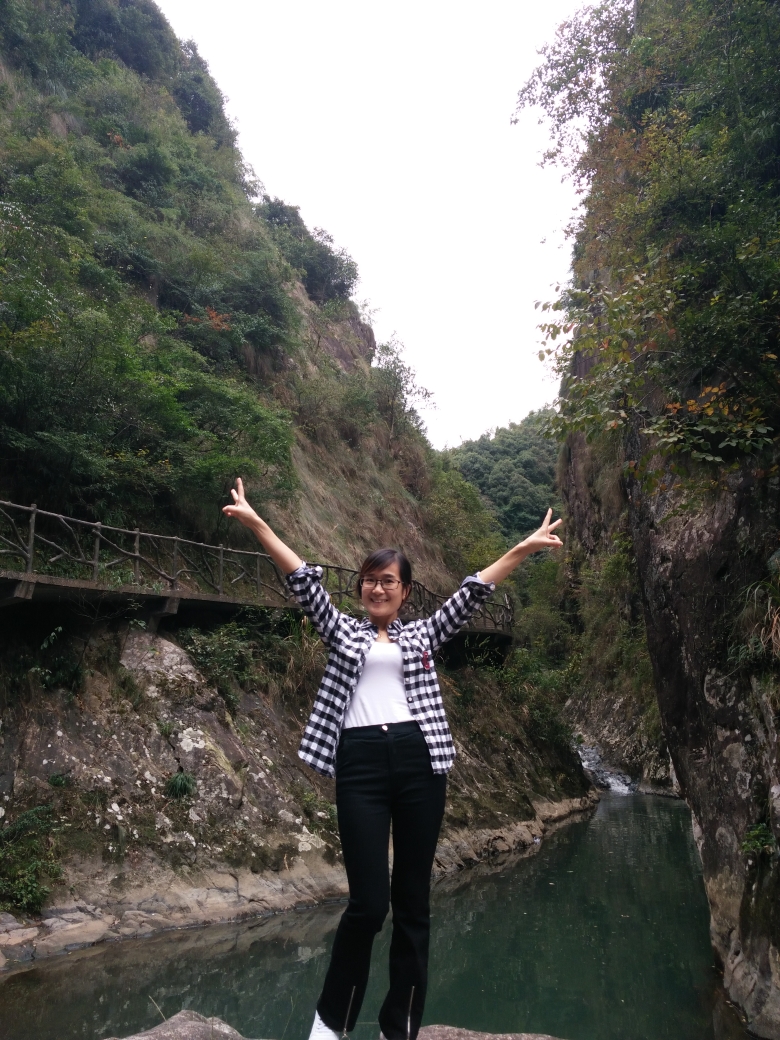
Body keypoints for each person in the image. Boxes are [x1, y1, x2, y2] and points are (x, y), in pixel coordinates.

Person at [222, 479, 562, 1040]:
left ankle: (398, 1027)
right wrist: (257, 523)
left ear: (404, 592)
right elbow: (302, 580)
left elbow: (472, 592)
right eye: (370, 580)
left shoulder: (423, 635)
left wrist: (523, 549)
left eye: (389, 581)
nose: (377, 588)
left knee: (412, 904)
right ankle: (330, 1025)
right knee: (367, 905)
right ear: (361, 587)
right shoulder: (342, 631)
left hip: (419, 762)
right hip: (359, 764)